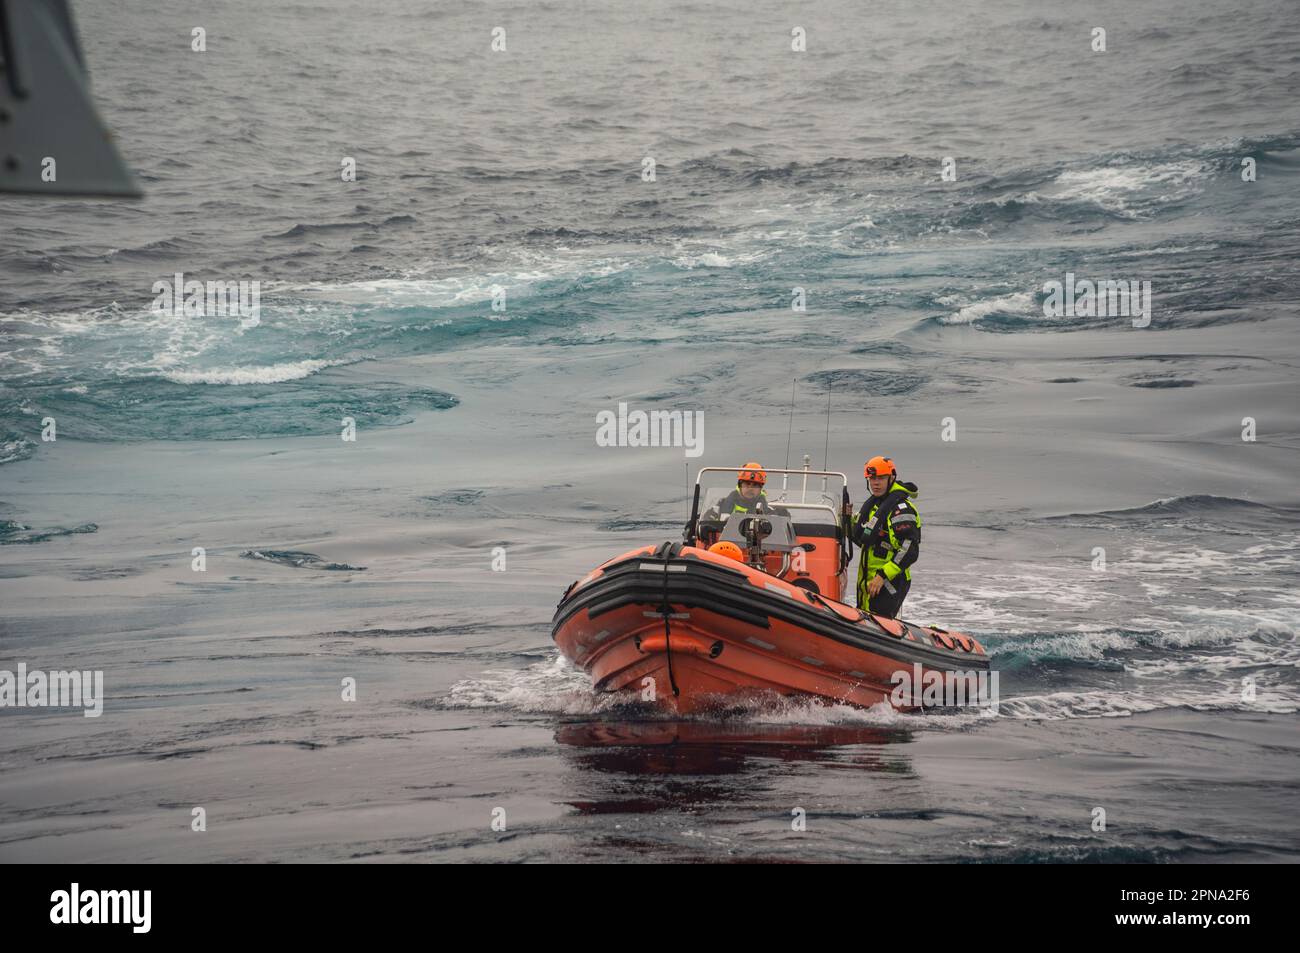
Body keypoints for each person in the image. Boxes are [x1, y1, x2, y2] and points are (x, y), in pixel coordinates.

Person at [849, 455, 920, 618]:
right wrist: (846, 520)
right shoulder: (874, 507)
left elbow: (909, 550)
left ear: (891, 478)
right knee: (865, 621)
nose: (876, 483)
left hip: (890, 580)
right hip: (868, 579)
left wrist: (882, 576)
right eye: (872, 478)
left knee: (878, 624)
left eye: (881, 478)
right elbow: (865, 540)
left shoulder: (901, 509)